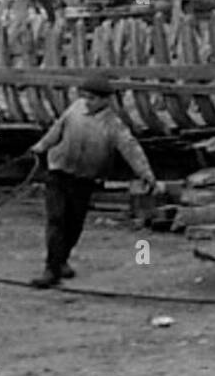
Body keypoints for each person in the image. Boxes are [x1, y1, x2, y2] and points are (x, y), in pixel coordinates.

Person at [27, 76, 158, 288]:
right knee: (56, 219)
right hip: (58, 171)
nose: (88, 101)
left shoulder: (114, 125)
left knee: (74, 224)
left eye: (94, 98)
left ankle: (62, 260)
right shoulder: (75, 109)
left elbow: (131, 149)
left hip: (84, 179)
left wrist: (146, 173)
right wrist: (40, 147)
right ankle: (51, 269)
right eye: (86, 96)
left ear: (106, 100)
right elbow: (56, 130)